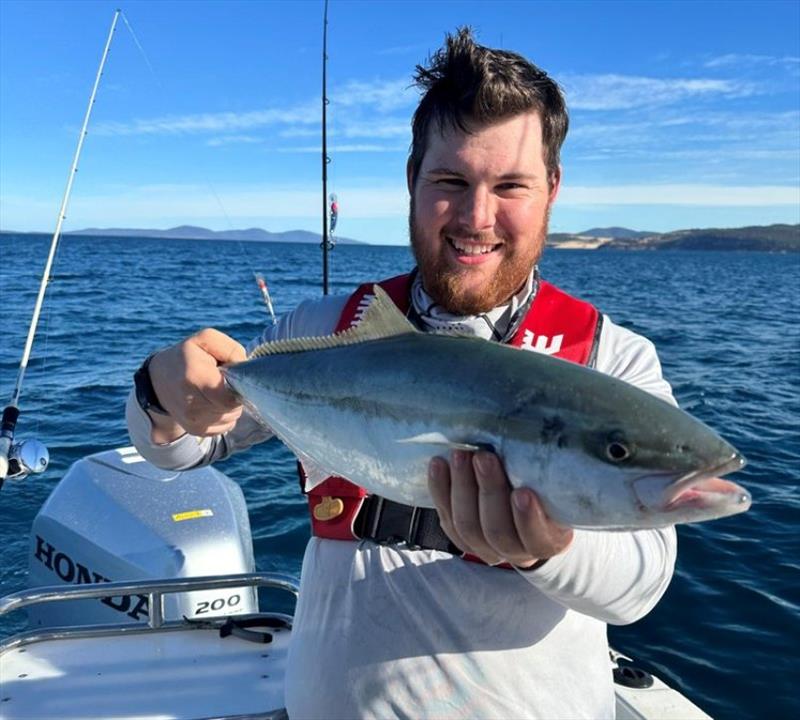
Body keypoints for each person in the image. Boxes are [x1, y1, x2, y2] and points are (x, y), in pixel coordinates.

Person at [128, 28, 677, 719]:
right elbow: (182, 450)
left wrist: (549, 549)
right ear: (412, 180)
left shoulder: (611, 360)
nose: (477, 218)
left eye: (511, 185)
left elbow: (642, 585)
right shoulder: (322, 330)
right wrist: (160, 393)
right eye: (450, 181)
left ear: (552, 190)